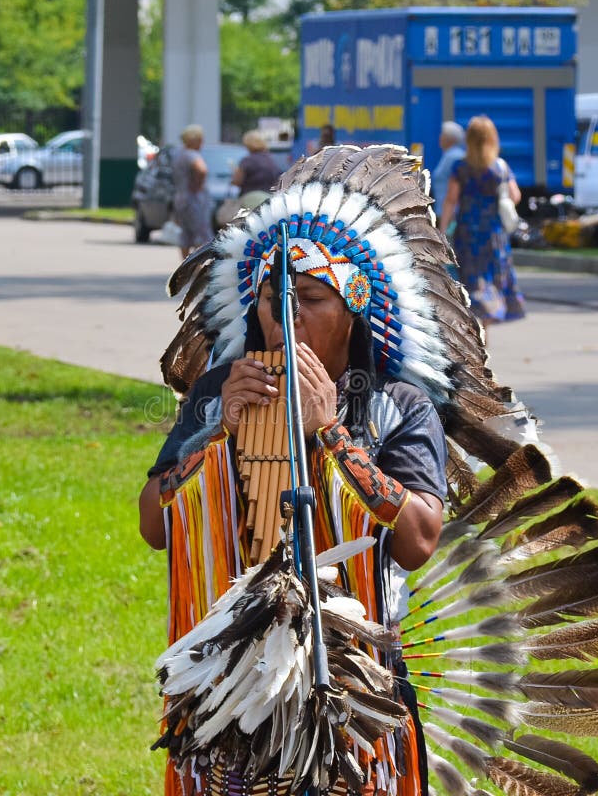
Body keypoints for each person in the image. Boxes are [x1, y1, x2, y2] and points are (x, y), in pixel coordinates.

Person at [140, 147, 450, 796]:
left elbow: (420, 539)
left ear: (352, 309)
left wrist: (331, 433)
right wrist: (214, 432)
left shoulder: (396, 405)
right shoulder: (222, 389)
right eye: (273, 301)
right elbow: (154, 524)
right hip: (234, 673)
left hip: (355, 677)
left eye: (309, 299)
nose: (287, 319)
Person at [439, 115, 525, 328]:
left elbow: (451, 199)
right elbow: (515, 196)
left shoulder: (461, 167)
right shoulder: (500, 167)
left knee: (470, 278)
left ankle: (475, 325)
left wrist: (442, 229)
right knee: (490, 279)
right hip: (493, 233)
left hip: (468, 231)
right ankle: (485, 324)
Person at [172, 124, 212, 259]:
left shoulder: (179, 154)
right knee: (201, 233)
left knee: (185, 234)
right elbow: (202, 169)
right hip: (194, 199)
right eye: (200, 139)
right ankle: (199, 266)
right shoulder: (191, 154)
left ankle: (185, 265)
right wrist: (198, 185)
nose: (202, 143)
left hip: (180, 198)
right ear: (193, 140)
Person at [231, 129, 282, 197]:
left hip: (250, 198)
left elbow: (236, 181)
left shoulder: (247, 161)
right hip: (269, 198)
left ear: (248, 144)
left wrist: (234, 173)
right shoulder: (271, 159)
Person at [429, 120, 465, 218]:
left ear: (450, 139)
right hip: (444, 211)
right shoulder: (449, 155)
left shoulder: (453, 157)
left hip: (450, 214)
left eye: (443, 135)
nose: (440, 137)